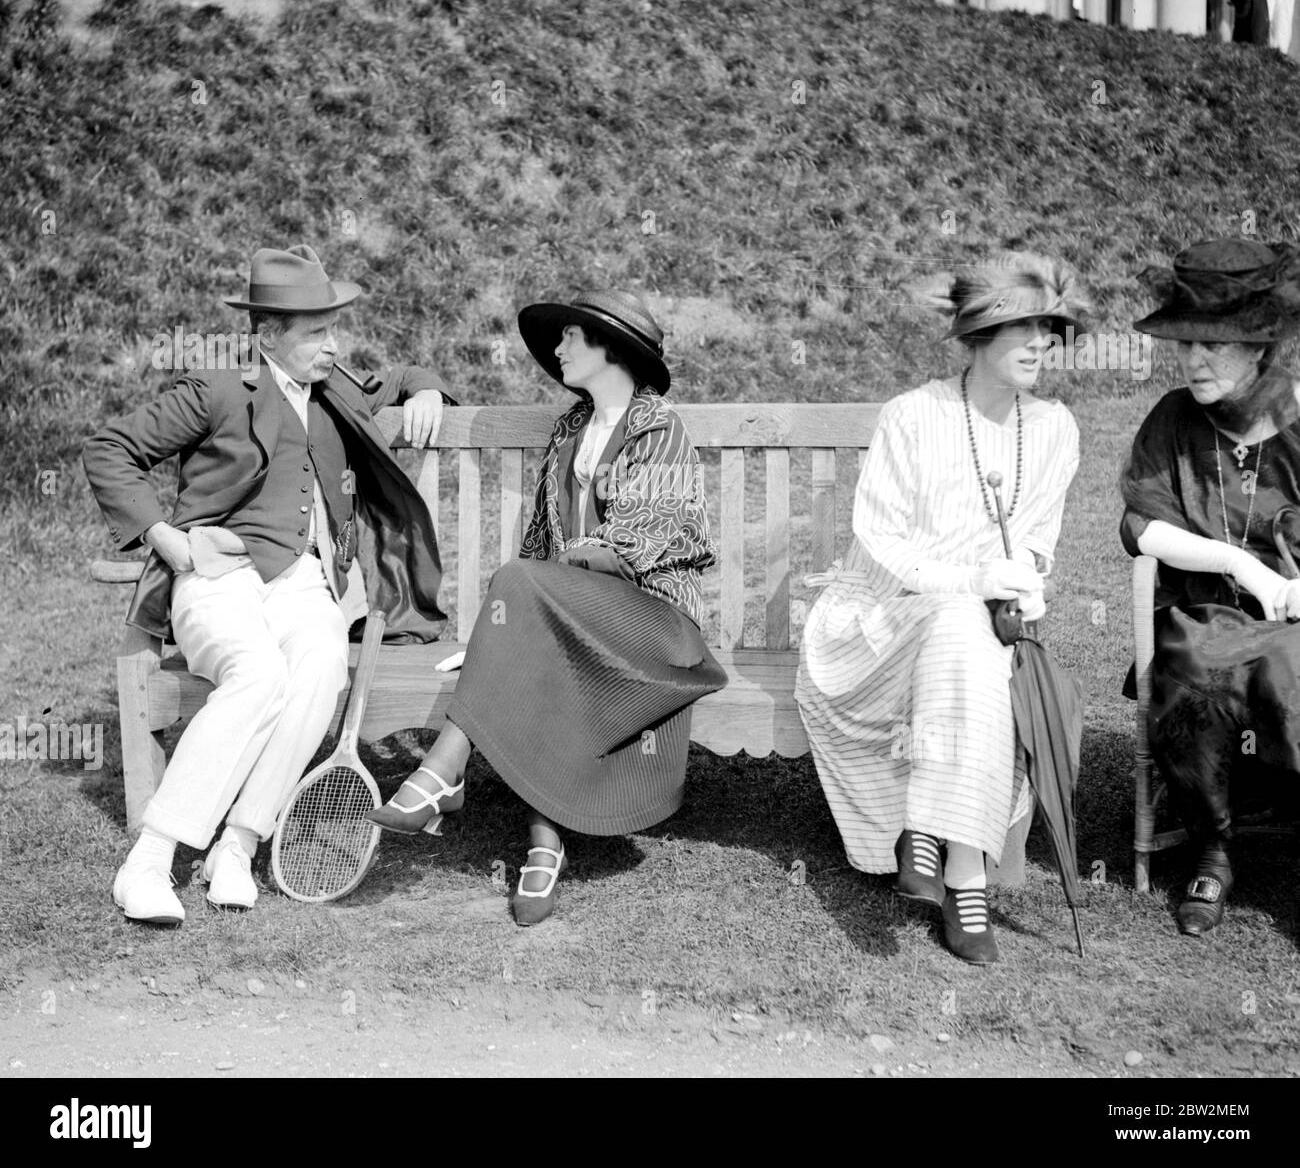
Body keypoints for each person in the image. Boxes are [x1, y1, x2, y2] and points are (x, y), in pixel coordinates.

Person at [84, 244, 454, 925]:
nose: (331, 344)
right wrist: (166, 536)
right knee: (257, 674)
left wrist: (425, 385)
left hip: (300, 583)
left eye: (332, 328)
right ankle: (150, 860)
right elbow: (110, 449)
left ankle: (238, 843)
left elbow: (395, 378)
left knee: (319, 670)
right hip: (218, 579)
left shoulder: (334, 387)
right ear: (265, 336)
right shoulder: (218, 388)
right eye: (315, 331)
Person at [366, 290, 727, 926]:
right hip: (576, 618)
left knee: (526, 588)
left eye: (571, 339)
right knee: (541, 630)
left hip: (653, 622)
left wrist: (529, 600)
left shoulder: (660, 426)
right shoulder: (568, 429)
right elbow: (541, 543)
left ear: (611, 349)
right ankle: (543, 846)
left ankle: (442, 773)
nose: (557, 349)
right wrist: (504, 634)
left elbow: (642, 541)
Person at [794, 255, 1084, 965]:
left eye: (1046, 327)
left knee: (966, 634)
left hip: (973, 636)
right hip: (876, 625)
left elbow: (1036, 543)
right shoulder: (912, 416)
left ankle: (936, 844)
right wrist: (972, 579)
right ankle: (967, 881)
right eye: (1019, 327)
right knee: (959, 621)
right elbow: (881, 543)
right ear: (977, 336)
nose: (1039, 342)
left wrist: (1026, 582)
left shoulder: (1053, 428)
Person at [1121, 237, 1300, 937]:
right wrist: (1238, 563)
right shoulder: (1174, 418)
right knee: (1198, 672)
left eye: (1212, 345)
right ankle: (1214, 847)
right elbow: (1141, 525)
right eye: (1185, 343)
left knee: (1292, 669)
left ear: (1258, 348)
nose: (1192, 360)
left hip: (1291, 618)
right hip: (1203, 613)